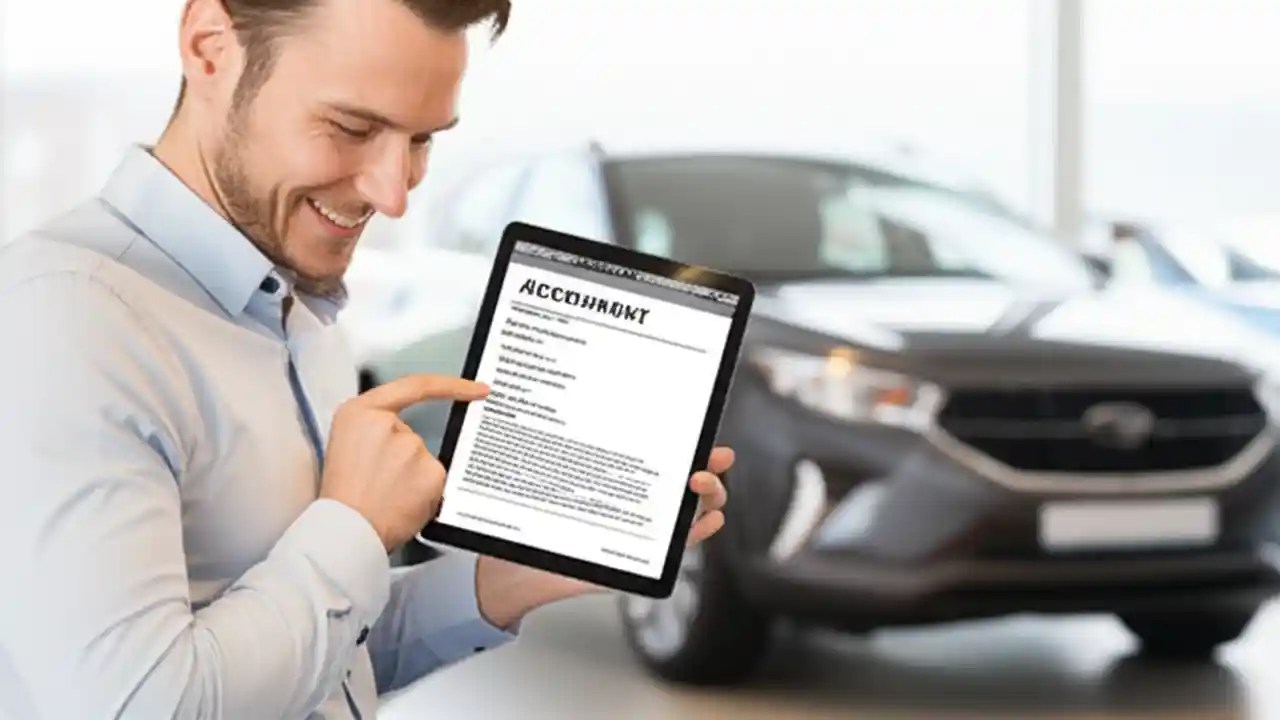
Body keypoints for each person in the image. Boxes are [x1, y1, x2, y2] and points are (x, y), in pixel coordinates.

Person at [0, 0, 734, 717]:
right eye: (352, 127)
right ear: (210, 48)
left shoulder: (297, 313)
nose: (393, 194)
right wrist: (353, 525)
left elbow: (322, 660)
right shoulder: (66, 319)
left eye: (421, 141)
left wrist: (517, 575)